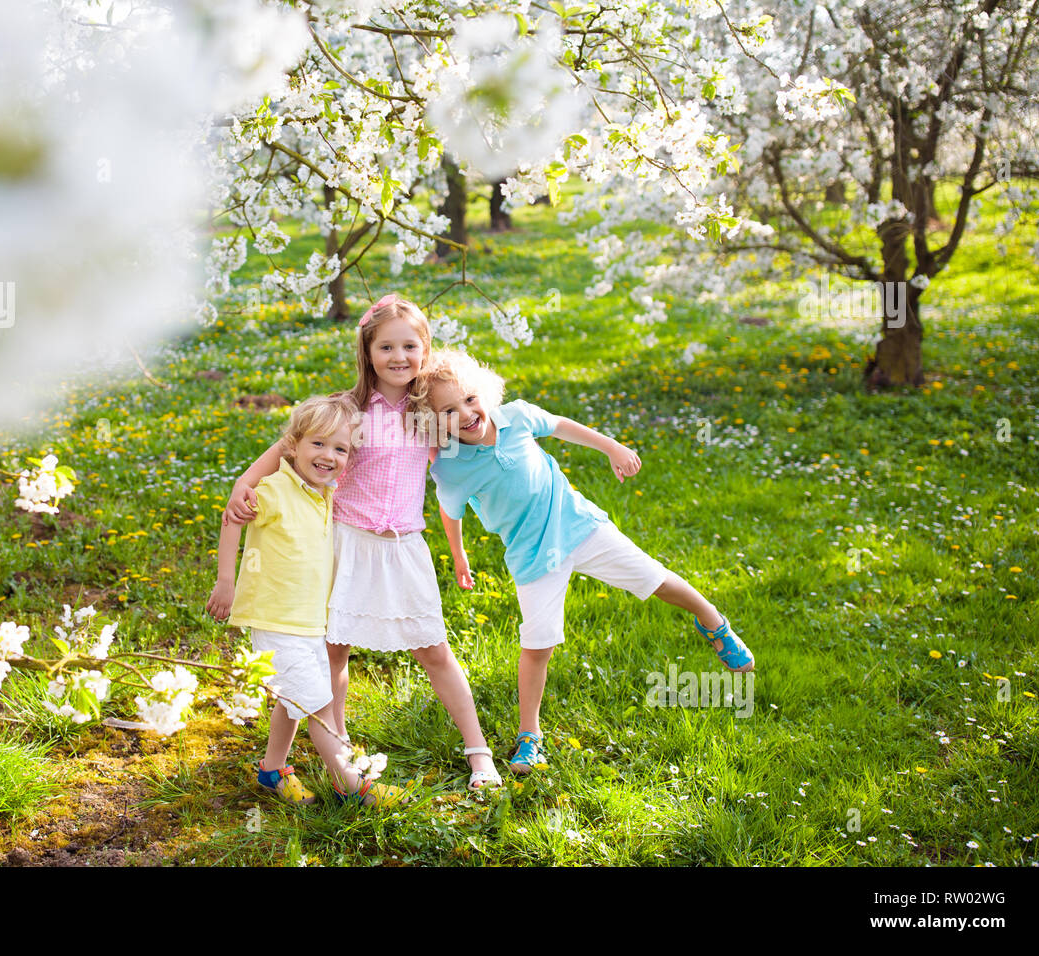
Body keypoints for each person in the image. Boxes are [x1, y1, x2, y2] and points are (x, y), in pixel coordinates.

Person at [413, 348, 754, 775]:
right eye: (447, 411)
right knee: (538, 646)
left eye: (468, 398)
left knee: (653, 578)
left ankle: (712, 619)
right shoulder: (450, 467)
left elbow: (559, 426)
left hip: (580, 526)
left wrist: (611, 447)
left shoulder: (516, 417)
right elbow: (451, 510)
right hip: (533, 557)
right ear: (432, 425)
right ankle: (529, 736)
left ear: (483, 392)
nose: (465, 413)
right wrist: (459, 555)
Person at [224, 295, 501, 791]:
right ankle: (336, 752)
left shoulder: (430, 415)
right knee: (330, 652)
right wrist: (243, 490)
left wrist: (477, 404)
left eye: (410, 346)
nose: (399, 357)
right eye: (386, 346)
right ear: (367, 353)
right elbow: (276, 456)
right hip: (344, 544)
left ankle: (479, 753)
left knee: (434, 649)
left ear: (426, 349)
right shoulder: (348, 411)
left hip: (404, 546)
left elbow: (484, 434)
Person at [207, 394, 403, 806]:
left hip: (310, 621)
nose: (328, 455)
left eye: (340, 449)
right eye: (318, 443)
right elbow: (232, 519)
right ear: (292, 446)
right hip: (275, 619)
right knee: (317, 705)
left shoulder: (326, 494)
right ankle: (354, 786)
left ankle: (272, 770)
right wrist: (226, 581)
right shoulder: (273, 489)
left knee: (294, 699)